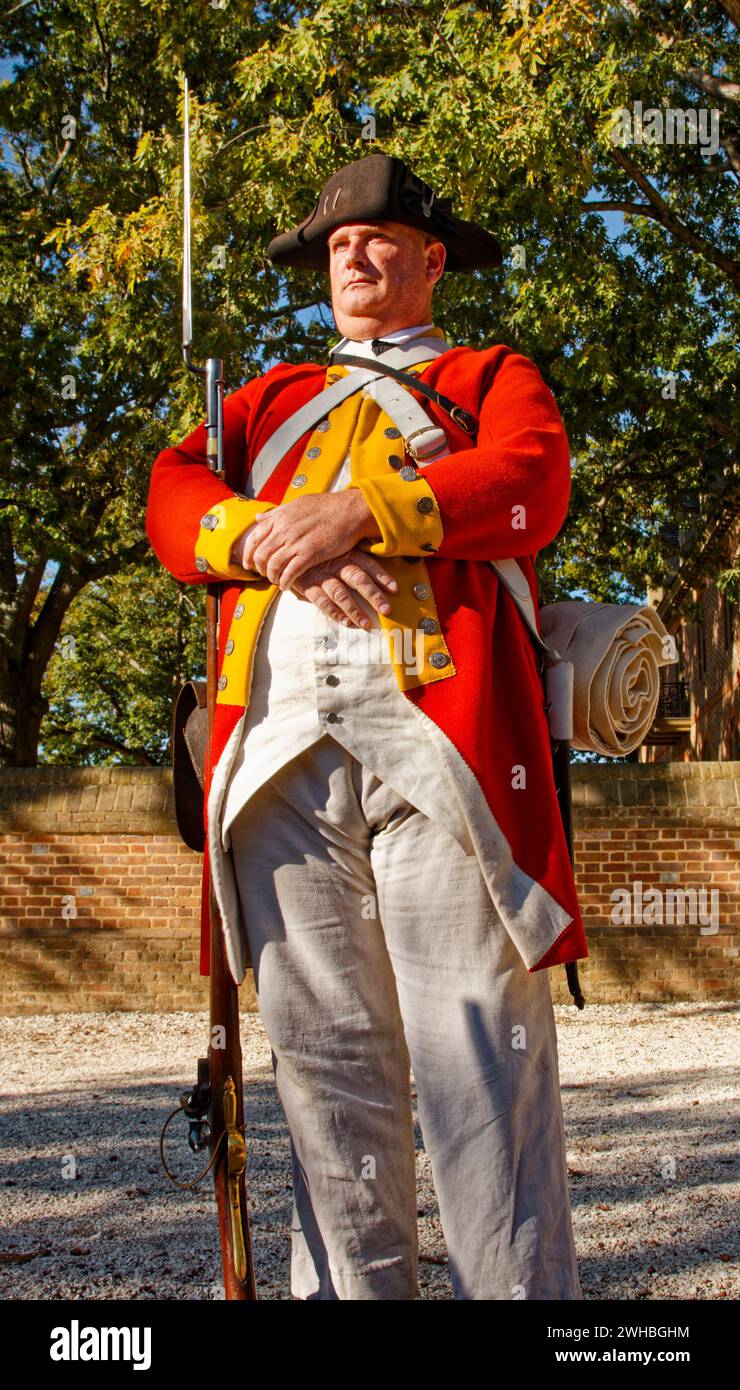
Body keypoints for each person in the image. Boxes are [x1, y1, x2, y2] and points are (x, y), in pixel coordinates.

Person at [146, 151, 588, 1301]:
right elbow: (173, 494)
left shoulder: (487, 375)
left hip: (441, 758)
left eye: (380, 236)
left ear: (432, 260)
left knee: (480, 1074)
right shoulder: (261, 404)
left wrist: (360, 510)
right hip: (278, 762)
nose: (354, 252)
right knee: (325, 1084)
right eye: (337, 242)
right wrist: (259, 536)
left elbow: (531, 477)